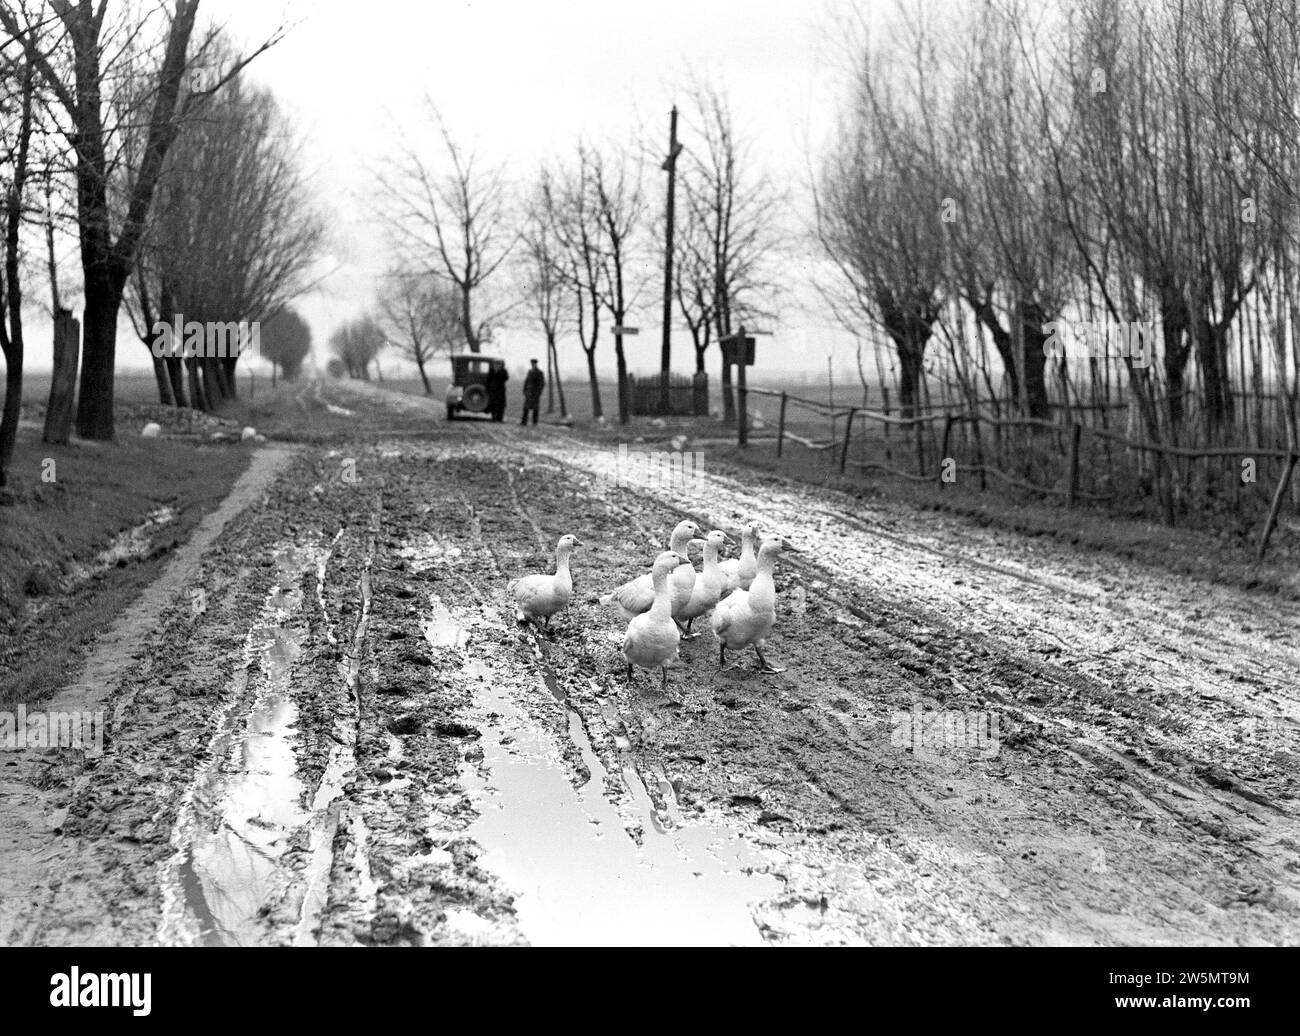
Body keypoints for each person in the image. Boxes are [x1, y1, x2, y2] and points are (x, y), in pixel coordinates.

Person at [521, 358, 545, 426]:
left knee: (535, 408)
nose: (532, 365)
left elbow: (542, 383)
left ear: (536, 364)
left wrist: (538, 393)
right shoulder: (529, 371)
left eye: (534, 364)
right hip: (528, 392)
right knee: (526, 407)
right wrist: (524, 390)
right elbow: (526, 381)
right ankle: (524, 422)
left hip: (535, 393)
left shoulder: (539, 372)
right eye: (532, 364)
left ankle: (535, 422)